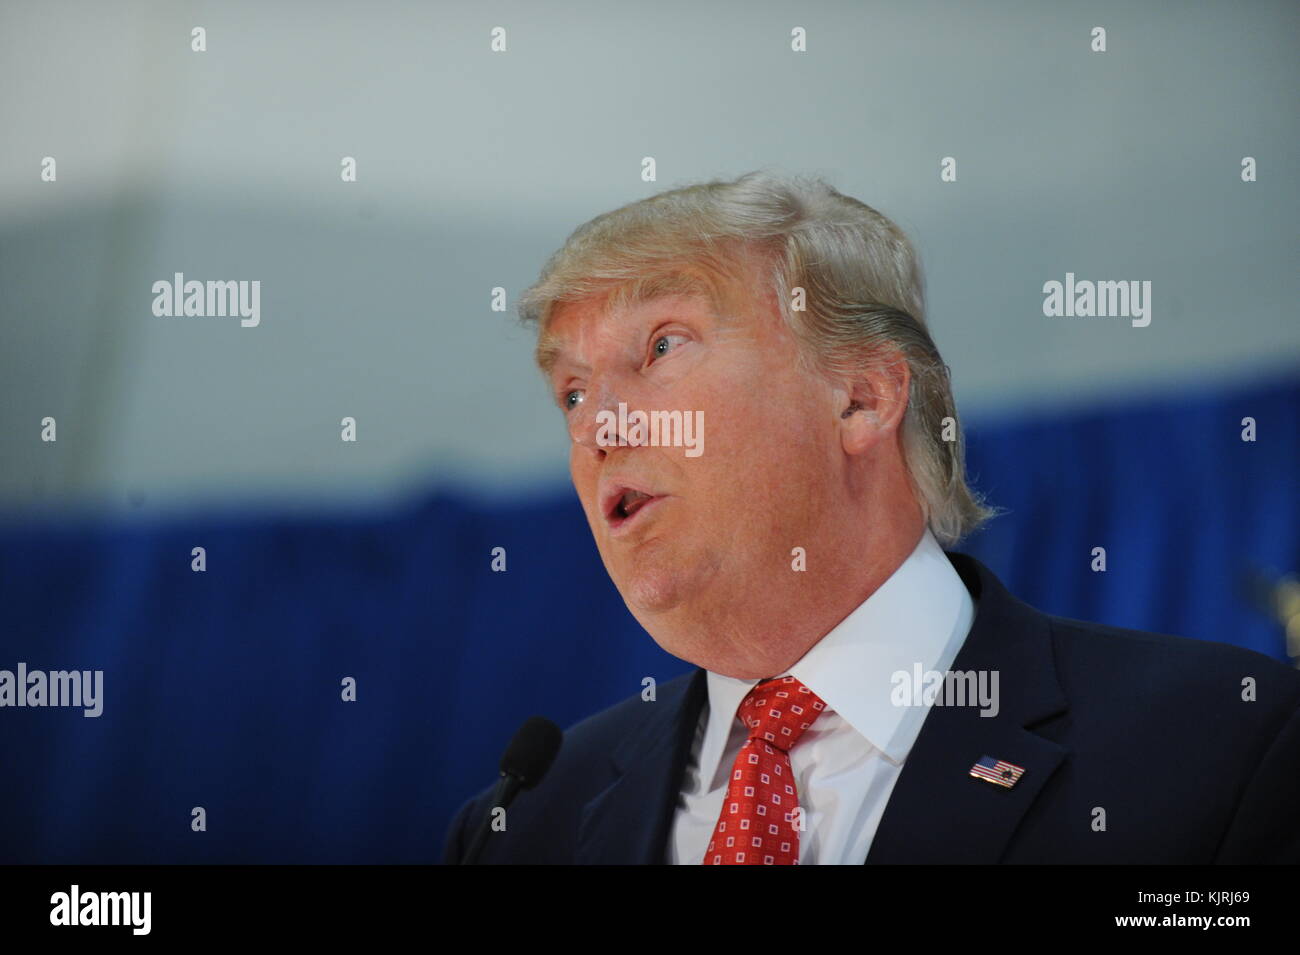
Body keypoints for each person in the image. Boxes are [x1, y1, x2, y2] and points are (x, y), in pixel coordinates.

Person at [443, 170, 1300, 864]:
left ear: (860, 396)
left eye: (663, 344)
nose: (597, 427)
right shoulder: (524, 823)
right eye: (572, 392)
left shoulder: (1222, 745)